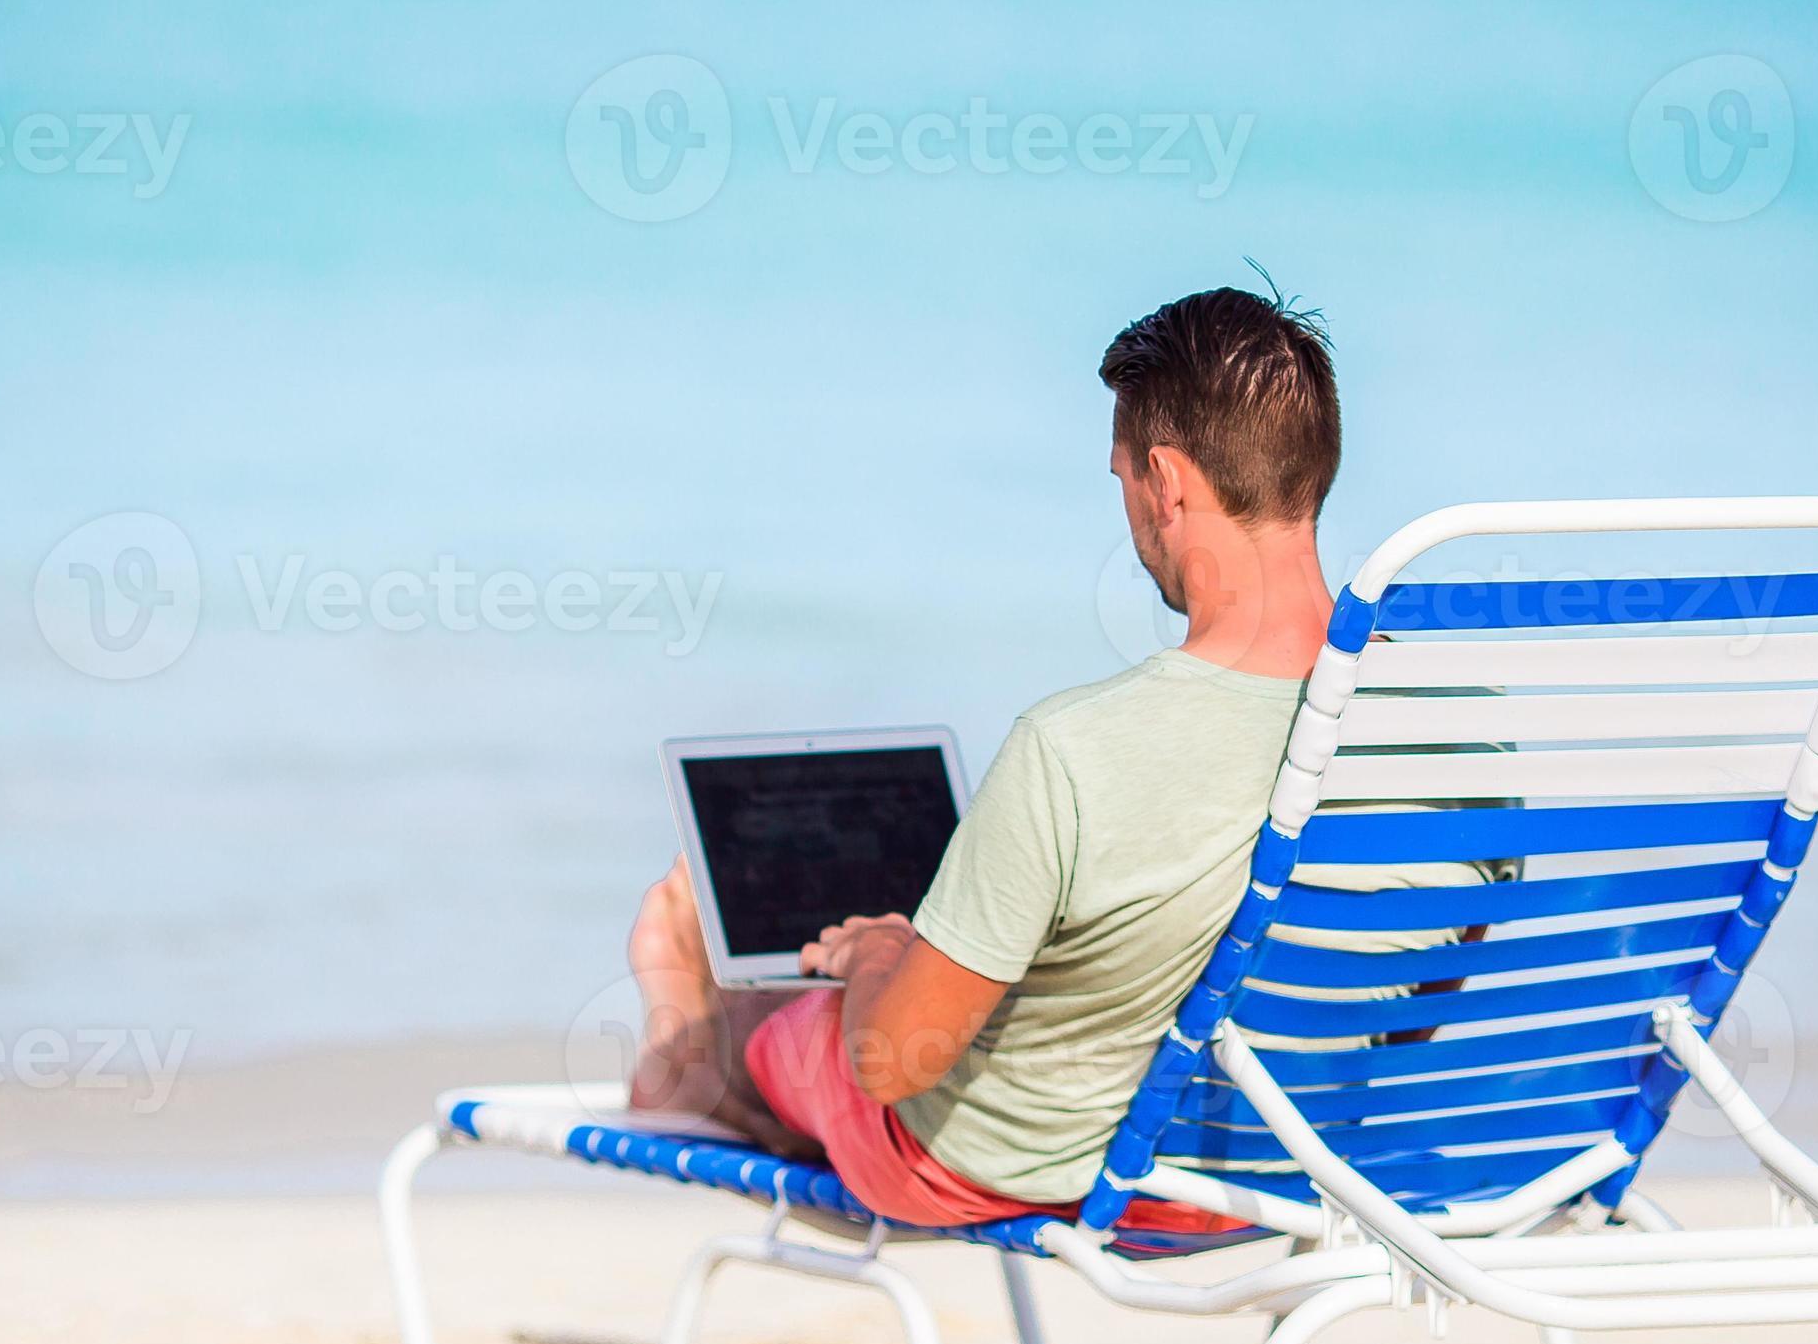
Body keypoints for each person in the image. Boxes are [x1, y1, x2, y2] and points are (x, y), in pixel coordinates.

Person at [625, 286, 1496, 1231]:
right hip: (1281, 1158)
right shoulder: (1464, 732)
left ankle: (683, 1038)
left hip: (1034, 1169)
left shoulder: (1074, 750)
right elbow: (1419, 1002)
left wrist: (881, 953)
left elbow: (897, 1060)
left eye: (1119, 476)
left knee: (795, 1024)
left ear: (1167, 481)